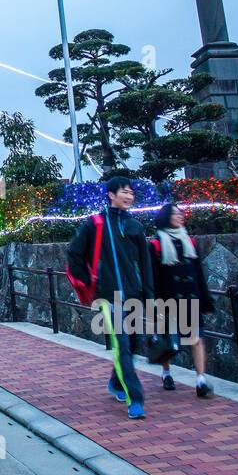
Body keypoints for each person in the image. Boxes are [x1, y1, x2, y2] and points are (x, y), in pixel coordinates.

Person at [66, 175, 156, 419]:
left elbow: (146, 264)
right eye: (124, 192)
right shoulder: (94, 224)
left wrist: (149, 295)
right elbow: (73, 253)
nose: (129, 196)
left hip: (134, 294)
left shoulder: (135, 226)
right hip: (109, 296)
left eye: (131, 192)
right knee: (122, 345)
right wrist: (89, 282)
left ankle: (116, 383)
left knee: (134, 343)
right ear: (111, 194)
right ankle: (135, 398)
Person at [148, 202, 216, 398]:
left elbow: (198, 273)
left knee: (197, 339)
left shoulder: (190, 242)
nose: (180, 216)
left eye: (180, 213)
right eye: (176, 214)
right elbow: (152, 277)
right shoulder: (156, 245)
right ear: (166, 217)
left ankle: (201, 379)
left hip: (191, 298)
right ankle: (166, 372)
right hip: (167, 302)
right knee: (168, 342)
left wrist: (204, 298)